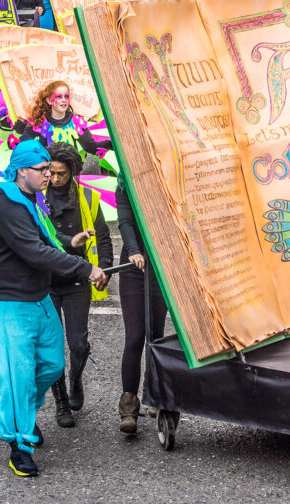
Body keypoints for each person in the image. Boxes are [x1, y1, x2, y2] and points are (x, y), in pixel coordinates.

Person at [0, 139, 107, 477]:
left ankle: (25, 411)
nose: (48, 176)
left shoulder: (29, 199)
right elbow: (33, 251)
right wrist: (85, 268)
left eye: (49, 171)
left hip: (37, 295)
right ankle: (19, 445)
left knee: (52, 364)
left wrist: (70, 243)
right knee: (17, 376)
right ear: (22, 171)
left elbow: (43, 238)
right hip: (9, 301)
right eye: (42, 171)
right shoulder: (7, 204)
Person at [45, 143, 113, 429]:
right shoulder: (36, 197)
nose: (55, 178)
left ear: (73, 172)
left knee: (78, 342)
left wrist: (105, 269)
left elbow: (105, 238)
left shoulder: (87, 197)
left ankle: (75, 379)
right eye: (51, 172)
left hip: (76, 281)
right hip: (46, 281)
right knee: (50, 347)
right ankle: (61, 403)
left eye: (61, 173)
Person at [115, 176, 167, 434]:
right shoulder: (124, 181)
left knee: (156, 336)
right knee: (135, 336)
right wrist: (134, 250)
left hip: (162, 265)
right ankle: (128, 407)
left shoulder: (164, 174)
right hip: (134, 266)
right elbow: (125, 221)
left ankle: (155, 394)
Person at [15, 80, 110, 160]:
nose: (64, 100)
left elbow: (91, 147)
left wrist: (111, 144)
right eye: (59, 97)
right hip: (47, 172)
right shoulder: (40, 122)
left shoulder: (76, 122)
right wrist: (18, 132)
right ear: (49, 100)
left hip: (70, 171)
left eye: (66, 96)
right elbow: (24, 146)